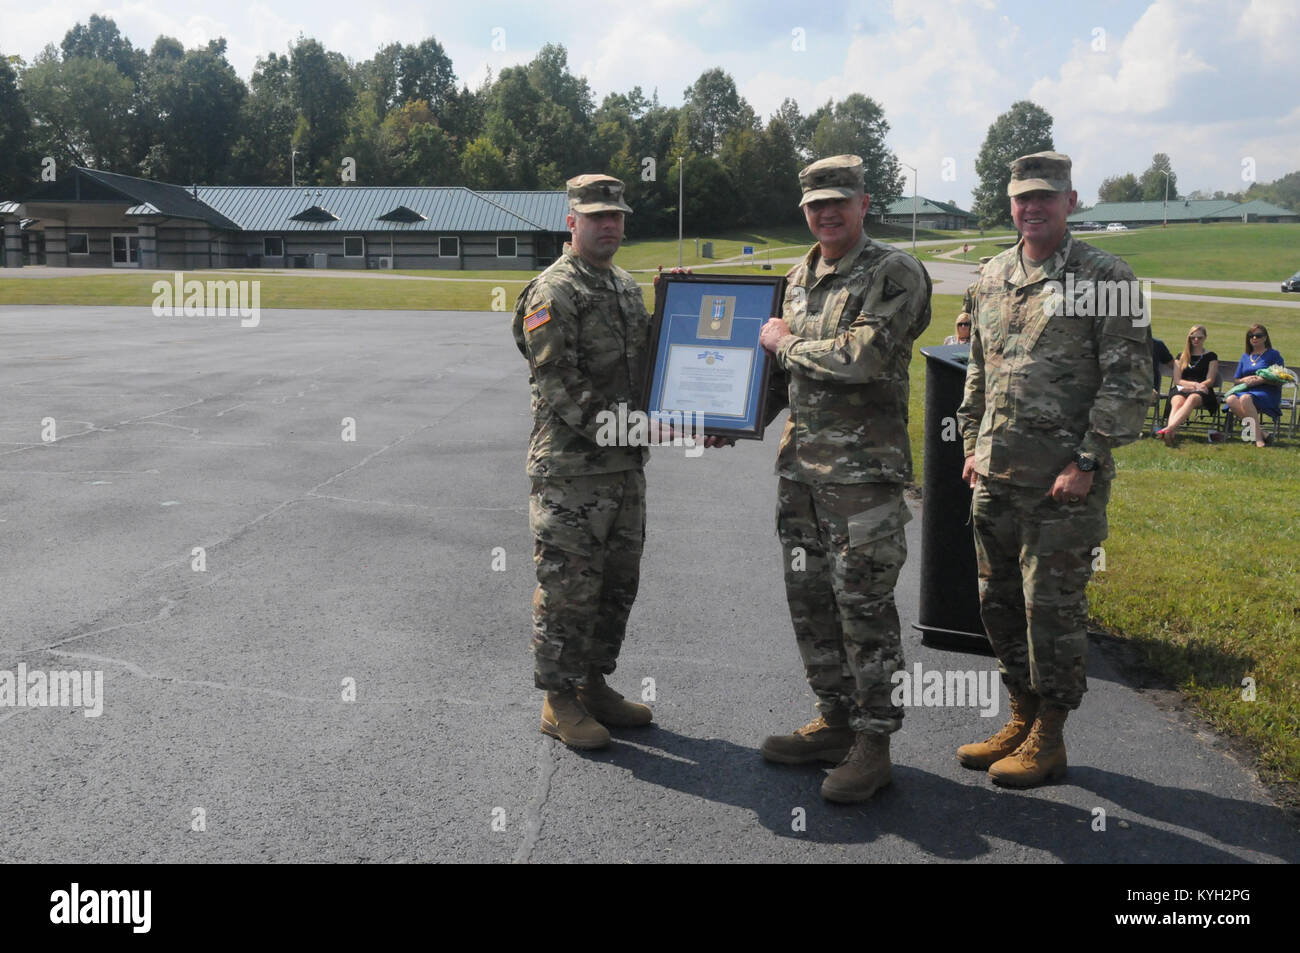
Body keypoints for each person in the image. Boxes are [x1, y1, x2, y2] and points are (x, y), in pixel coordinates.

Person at [955, 151, 1151, 788]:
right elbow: (979, 371)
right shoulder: (990, 276)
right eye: (1022, 197)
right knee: (1000, 605)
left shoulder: (1109, 277)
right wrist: (969, 447)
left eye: (1046, 196)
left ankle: (1052, 736)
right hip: (996, 476)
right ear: (1009, 203)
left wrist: (1088, 458)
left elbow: (1130, 384)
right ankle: (1021, 714)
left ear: (1071, 200)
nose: (1032, 207)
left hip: (1064, 483)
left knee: (1053, 611)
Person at [756, 154, 932, 803]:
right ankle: (834, 719)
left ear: (864, 202)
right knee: (810, 601)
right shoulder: (800, 276)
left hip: (864, 478)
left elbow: (862, 356)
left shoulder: (894, 271)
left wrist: (782, 343)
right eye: (814, 204)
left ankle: (875, 741)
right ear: (803, 210)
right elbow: (786, 376)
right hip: (801, 469)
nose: (826, 213)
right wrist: (732, 416)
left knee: (863, 606)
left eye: (840, 200)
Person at [511, 173, 656, 750]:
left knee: (617, 583)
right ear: (571, 222)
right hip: (571, 473)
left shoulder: (624, 286)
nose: (608, 224)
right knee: (568, 588)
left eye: (616, 215)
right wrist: (636, 426)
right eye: (596, 216)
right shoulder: (554, 291)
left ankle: (593, 684)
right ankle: (558, 700)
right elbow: (560, 388)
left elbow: (650, 366)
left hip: (623, 468)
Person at [1225, 324, 1285, 448]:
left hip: (1267, 391)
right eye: (1251, 336)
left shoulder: (1273, 354)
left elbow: (1280, 378)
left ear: (1265, 338)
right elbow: (1236, 380)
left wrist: (1261, 380)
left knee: (1245, 398)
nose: (1254, 338)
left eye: (1258, 335)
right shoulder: (1245, 356)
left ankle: (1258, 439)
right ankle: (1262, 433)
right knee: (1230, 399)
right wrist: (1244, 380)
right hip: (1247, 390)